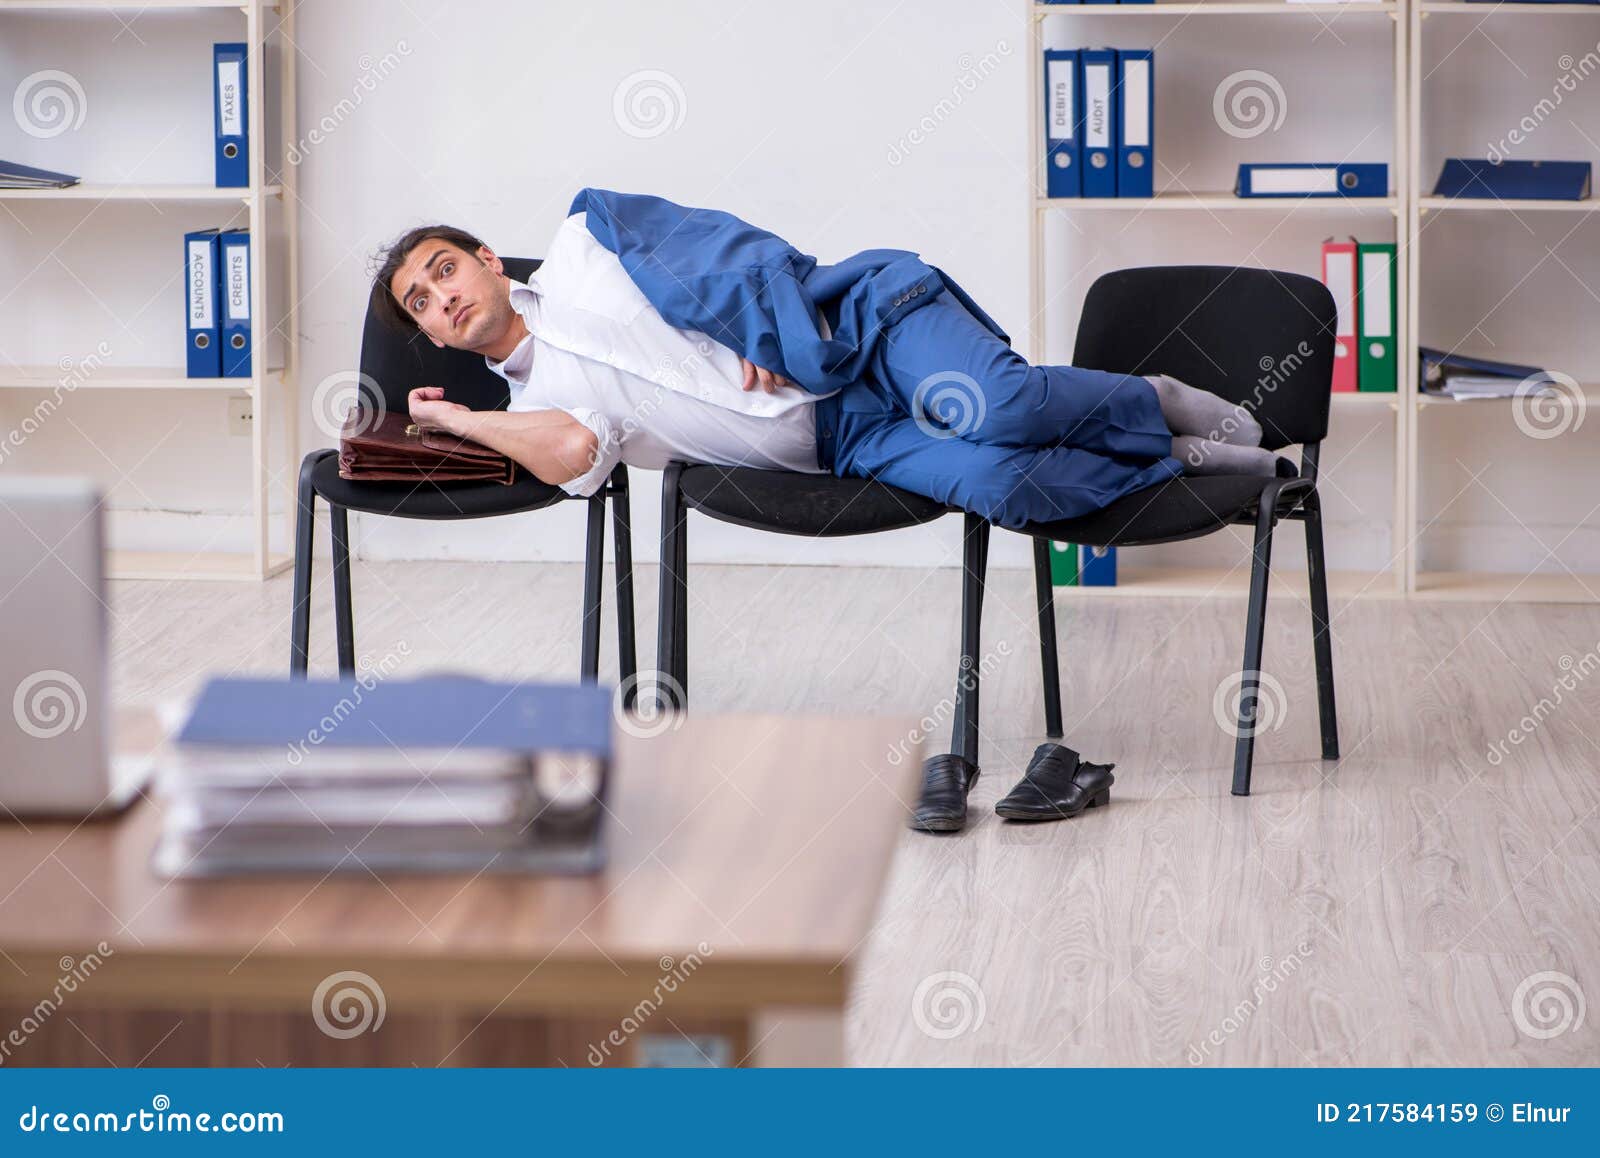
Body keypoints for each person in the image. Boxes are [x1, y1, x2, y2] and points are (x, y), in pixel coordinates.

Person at [369, 188, 1281, 831]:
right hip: (843, 439)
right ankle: (1167, 455)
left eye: (445, 270)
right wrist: (462, 418)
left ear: (486, 260)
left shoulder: (585, 238)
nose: (442, 297)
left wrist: (762, 330)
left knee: (1001, 408)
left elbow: (725, 251)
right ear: (435, 335)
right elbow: (575, 456)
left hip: (858, 330)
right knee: (1009, 489)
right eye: (424, 304)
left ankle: (1149, 398)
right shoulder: (532, 414)